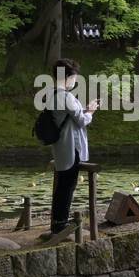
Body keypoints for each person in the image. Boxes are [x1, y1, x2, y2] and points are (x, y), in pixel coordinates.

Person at [46, 58, 98, 236]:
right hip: (71, 147)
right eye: (74, 77)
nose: (75, 81)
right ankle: (61, 224)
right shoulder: (65, 96)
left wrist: (83, 110)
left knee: (62, 185)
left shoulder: (52, 94)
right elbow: (81, 121)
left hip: (60, 146)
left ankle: (57, 222)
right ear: (67, 77)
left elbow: (68, 116)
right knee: (67, 186)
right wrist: (90, 111)